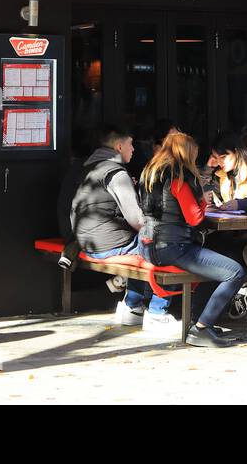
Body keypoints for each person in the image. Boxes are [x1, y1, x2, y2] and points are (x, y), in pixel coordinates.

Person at [140, 131, 247, 348]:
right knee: (235, 272)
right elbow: (195, 217)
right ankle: (201, 328)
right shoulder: (178, 178)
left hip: (148, 245)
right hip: (172, 247)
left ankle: (196, 320)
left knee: (219, 263)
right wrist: (202, 201)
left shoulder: (150, 172)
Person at [71, 124, 173, 332]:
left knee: (143, 245)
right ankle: (157, 313)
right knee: (167, 246)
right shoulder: (116, 173)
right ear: (119, 146)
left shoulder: (90, 167)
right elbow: (137, 219)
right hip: (108, 242)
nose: (133, 149)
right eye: (130, 144)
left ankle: (133, 308)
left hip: (87, 241)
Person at [207, 131, 247, 211]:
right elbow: (210, 195)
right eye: (216, 158)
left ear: (237, 152)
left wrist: (242, 204)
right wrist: (209, 167)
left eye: (223, 157)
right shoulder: (222, 174)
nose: (219, 162)